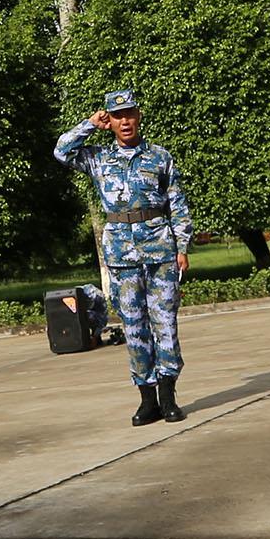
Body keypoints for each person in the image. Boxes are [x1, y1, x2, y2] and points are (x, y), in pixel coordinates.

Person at [54, 90, 197, 424]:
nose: (125, 121)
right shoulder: (98, 158)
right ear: (111, 121)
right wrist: (89, 124)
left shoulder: (160, 157)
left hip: (160, 249)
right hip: (121, 253)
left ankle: (168, 396)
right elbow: (61, 151)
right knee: (133, 326)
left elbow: (178, 204)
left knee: (164, 324)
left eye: (130, 114)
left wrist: (182, 247)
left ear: (139, 116)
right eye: (117, 116)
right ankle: (146, 400)